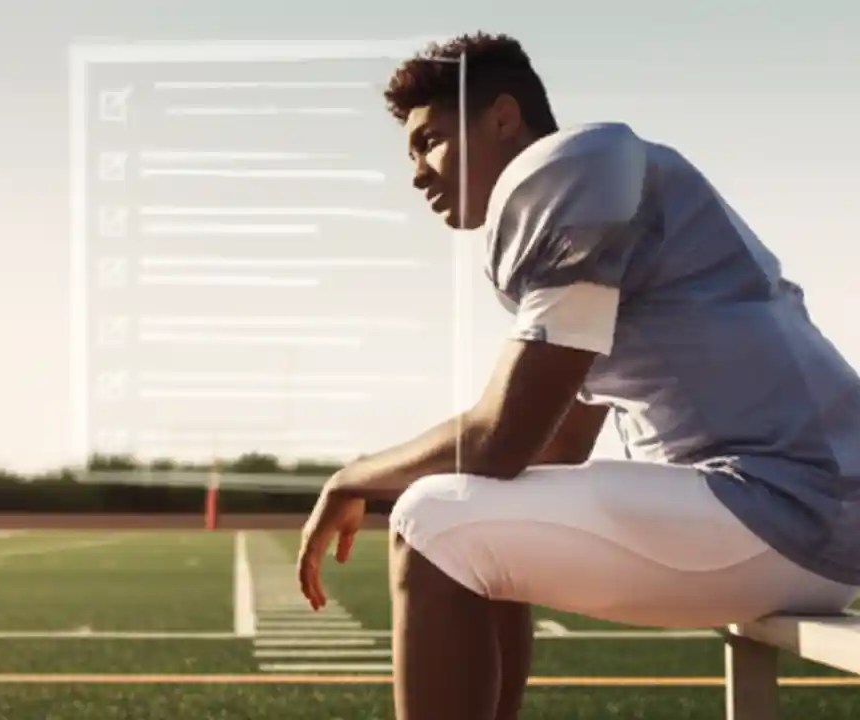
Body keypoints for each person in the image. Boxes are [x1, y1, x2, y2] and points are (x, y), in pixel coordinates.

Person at [295, 31, 860, 720]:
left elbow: (503, 437)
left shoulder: (571, 169)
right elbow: (553, 445)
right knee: (472, 516)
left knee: (428, 518)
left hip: (782, 507)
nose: (417, 172)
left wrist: (354, 474)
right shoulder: (608, 185)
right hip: (804, 516)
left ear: (502, 117)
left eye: (431, 140)